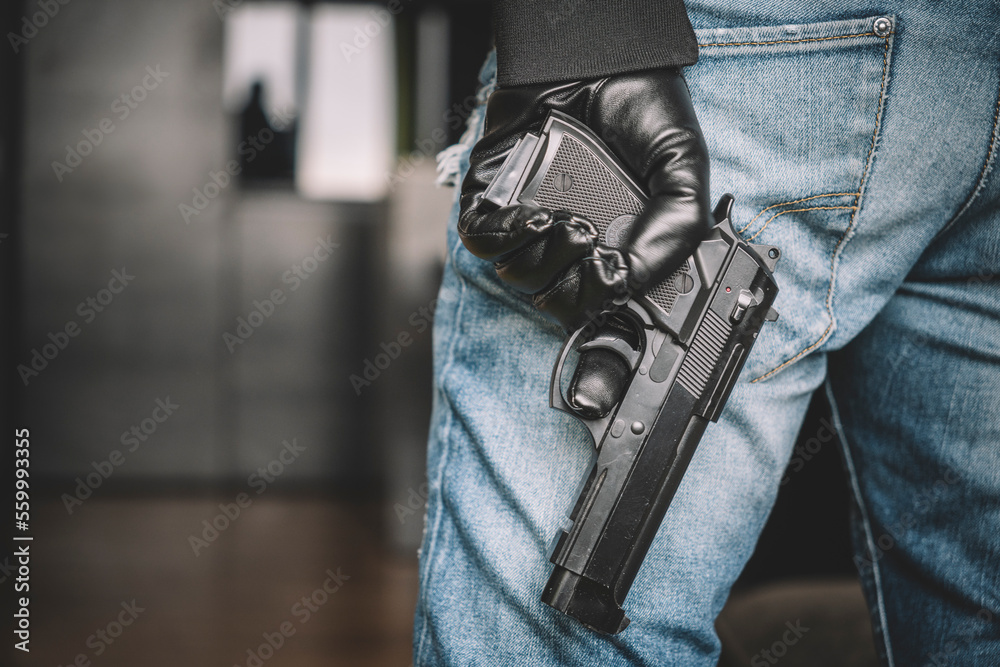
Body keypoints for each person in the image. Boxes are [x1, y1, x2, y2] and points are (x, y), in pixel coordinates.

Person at [414, 1, 1000, 664]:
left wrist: (584, 30)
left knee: (557, 648)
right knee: (974, 616)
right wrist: (592, 34)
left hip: (760, 49)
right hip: (945, 64)